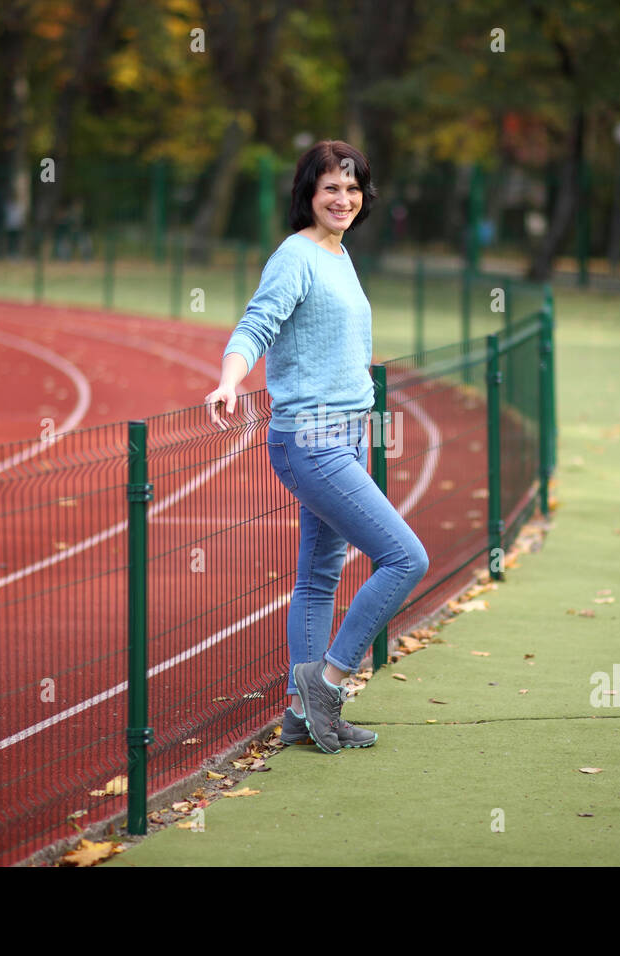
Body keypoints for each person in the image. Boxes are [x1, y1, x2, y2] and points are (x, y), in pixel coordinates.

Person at [204, 140, 429, 755]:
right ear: (308, 192)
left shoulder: (339, 253)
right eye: (331, 187)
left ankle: (304, 718)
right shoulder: (295, 257)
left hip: (349, 433)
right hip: (312, 440)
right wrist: (230, 381)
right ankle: (327, 684)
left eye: (353, 188)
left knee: (318, 577)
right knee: (407, 558)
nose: (344, 198)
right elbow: (257, 325)